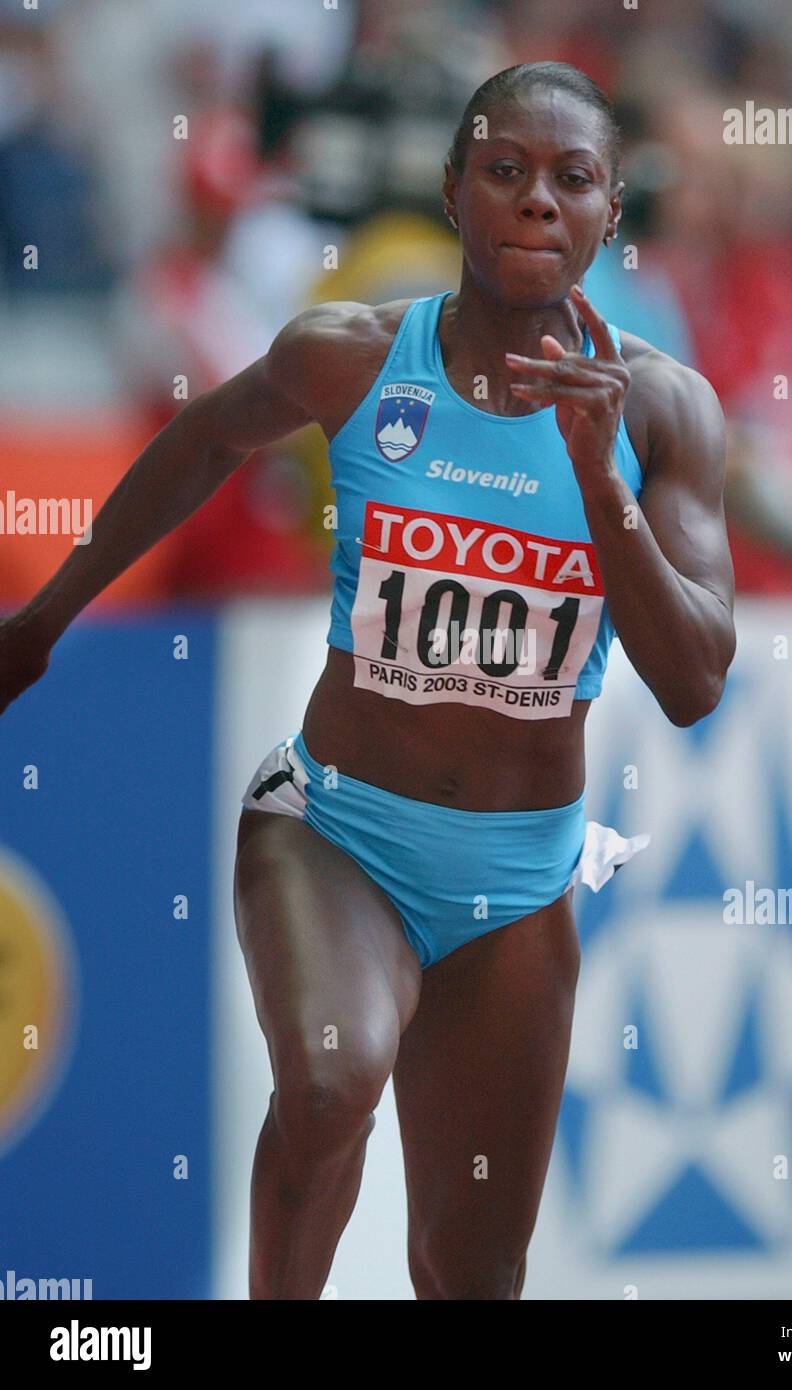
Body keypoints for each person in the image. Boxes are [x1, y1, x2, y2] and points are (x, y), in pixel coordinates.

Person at [0, 61, 736, 1300]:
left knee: (472, 1270)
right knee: (332, 1078)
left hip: (516, 880)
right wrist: (44, 620)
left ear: (614, 213)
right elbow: (202, 443)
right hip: (334, 828)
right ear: (454, 193)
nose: (539, 203)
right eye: (505, 172)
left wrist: (603, 490)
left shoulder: (666, 413)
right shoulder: (351, 358)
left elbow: (696, 680)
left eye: (574, 181)